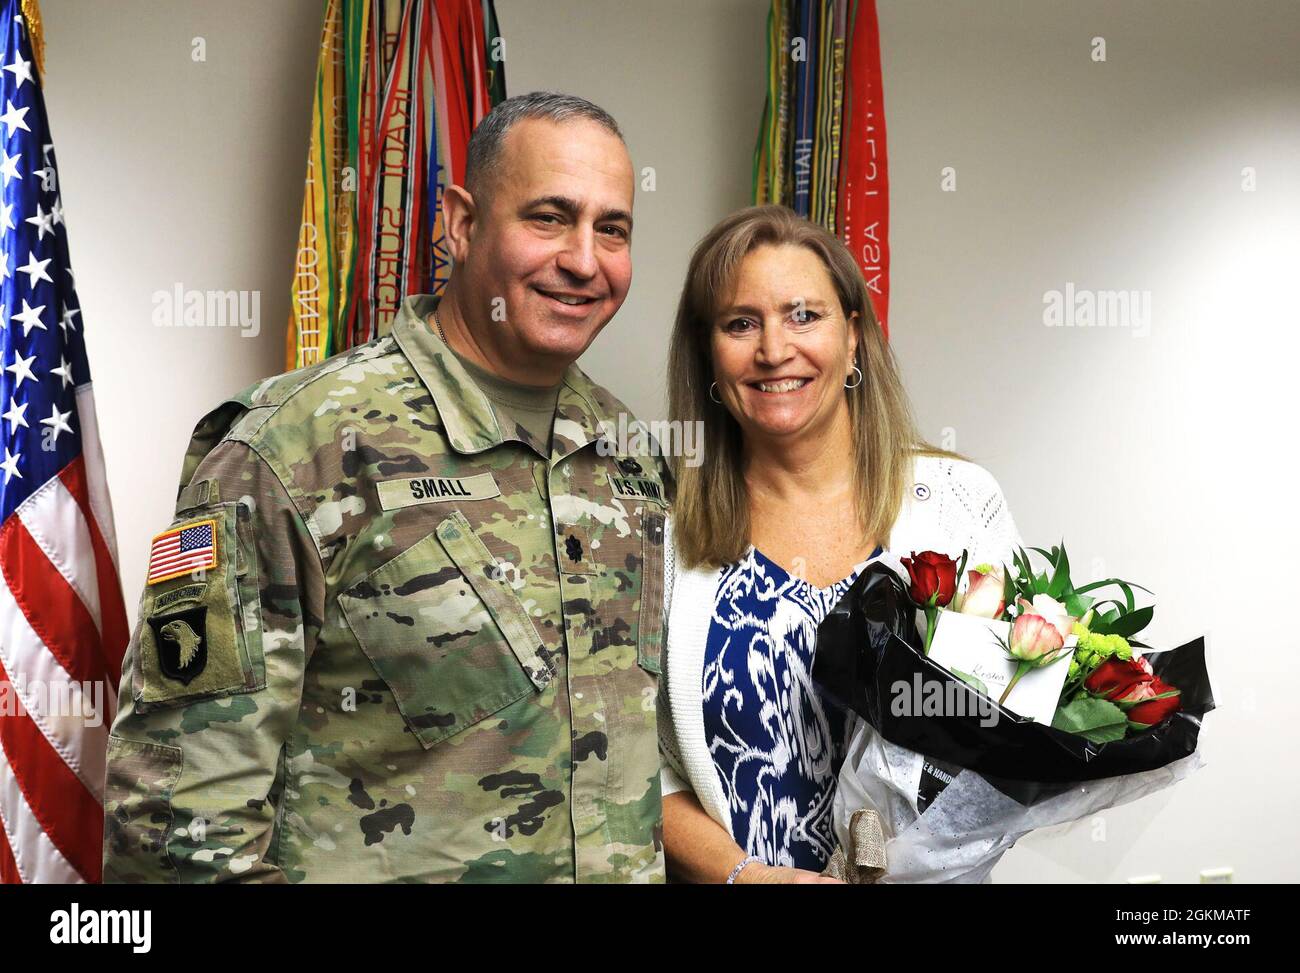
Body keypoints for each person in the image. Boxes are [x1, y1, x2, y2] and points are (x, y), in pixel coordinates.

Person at [102, 92, 669, 883]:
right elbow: (173, 829)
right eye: (548, 217)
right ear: (462, 223)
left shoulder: (633, 459)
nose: (584, 258)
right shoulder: (288, 450)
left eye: (613, 229)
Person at [657, 205, 1024, 883]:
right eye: (741, 322)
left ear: (853, 337)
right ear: (708, 349)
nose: (773, 348)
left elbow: (1020, 730)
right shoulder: (664, 531)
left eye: (804, 315)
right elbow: (631, 765)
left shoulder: (958, 503)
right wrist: (746, 876)